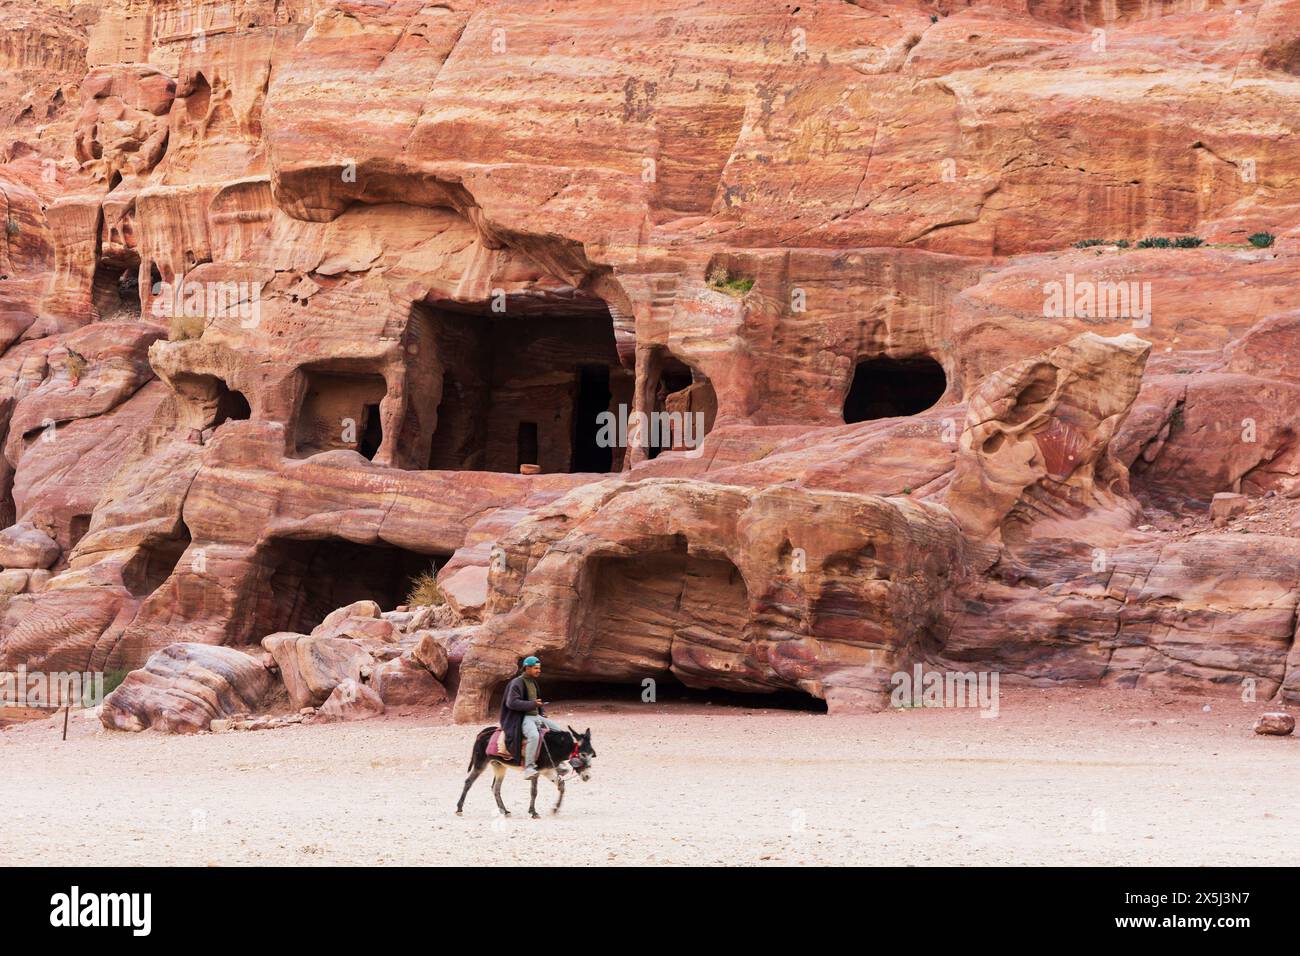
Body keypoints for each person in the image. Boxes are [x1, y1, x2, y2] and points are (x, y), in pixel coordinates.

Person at [500, 655, 566, 779]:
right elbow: (511, 703)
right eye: (536, 668)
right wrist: (533, 704)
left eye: (539, 668)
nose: (539, 671)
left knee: (558, 731)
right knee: (534, 736)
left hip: (535, 715)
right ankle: (528, 767)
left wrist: (540, 710)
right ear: (527, 668)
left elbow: (535, 701)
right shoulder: (517, 682)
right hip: (522, 717)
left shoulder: (533, 682)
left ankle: (556, 762)